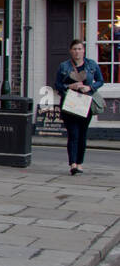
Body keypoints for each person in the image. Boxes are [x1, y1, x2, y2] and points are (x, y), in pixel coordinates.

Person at [54, 39, 104, 174]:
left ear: (84, 51)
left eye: (79, 49)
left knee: (82, 134)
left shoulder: (91, 65)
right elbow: (57, 85)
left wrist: (90, 87)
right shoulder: (64, 66)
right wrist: (69, 86)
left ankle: (80, 163)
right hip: (69, 103)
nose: (77, 52)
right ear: (71, 51)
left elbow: (100, 81)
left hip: (85, 103)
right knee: (73, 134)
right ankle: (73, 164)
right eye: (75, 49)